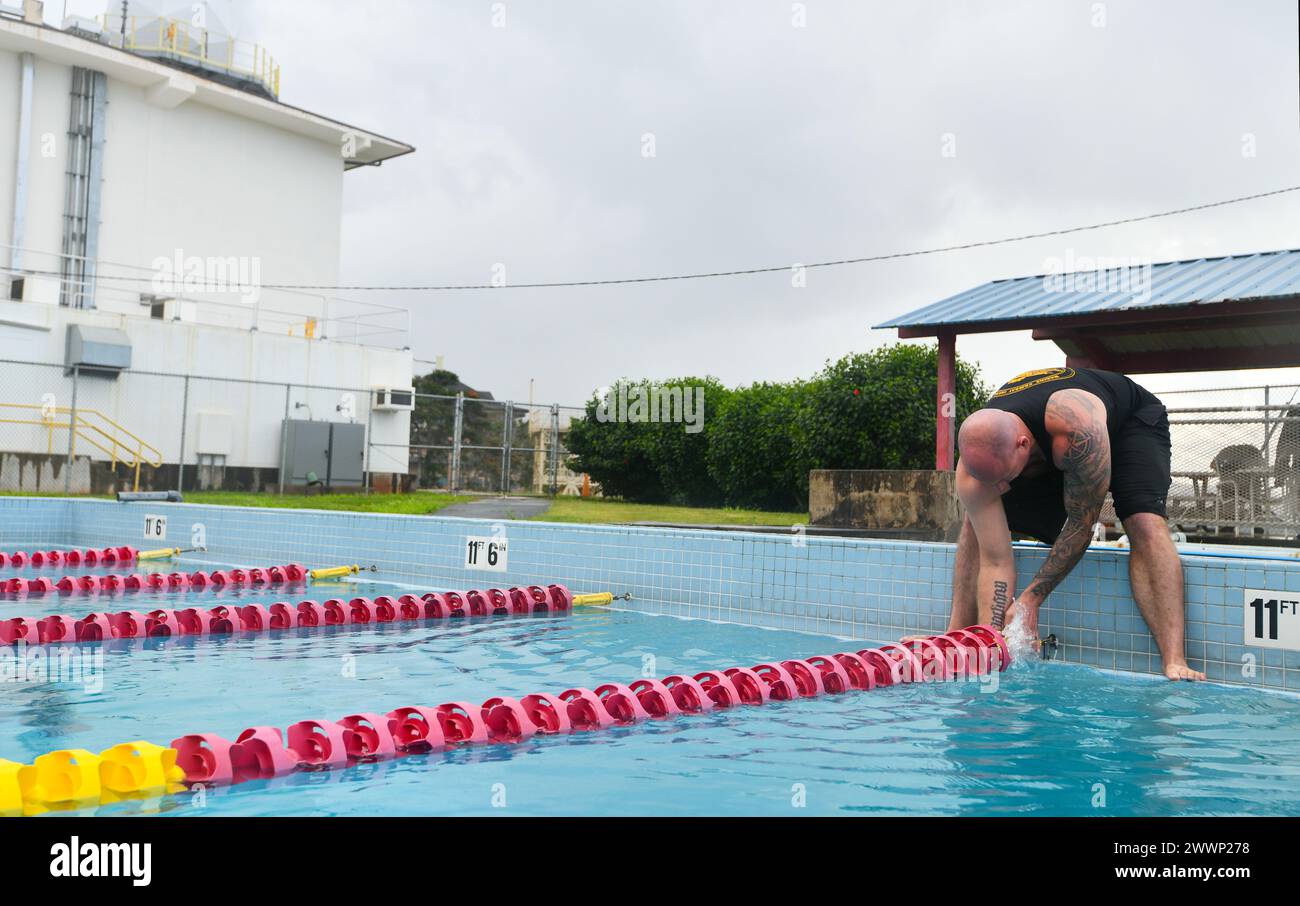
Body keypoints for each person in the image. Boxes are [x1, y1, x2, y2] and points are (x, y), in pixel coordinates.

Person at [945, 366, 1205, 681]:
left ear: (1023, 445)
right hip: (1044, 447)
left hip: (1130, 423)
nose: (999, 488)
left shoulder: (1076, 426)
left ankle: (1174, 659)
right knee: (975, 521)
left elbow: (1083, 523)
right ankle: (958, 635)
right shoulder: (978, 463)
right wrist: (993, 634)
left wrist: (1029, 601)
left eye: (1002, 479)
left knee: (1143, 521)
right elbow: (996, 559)